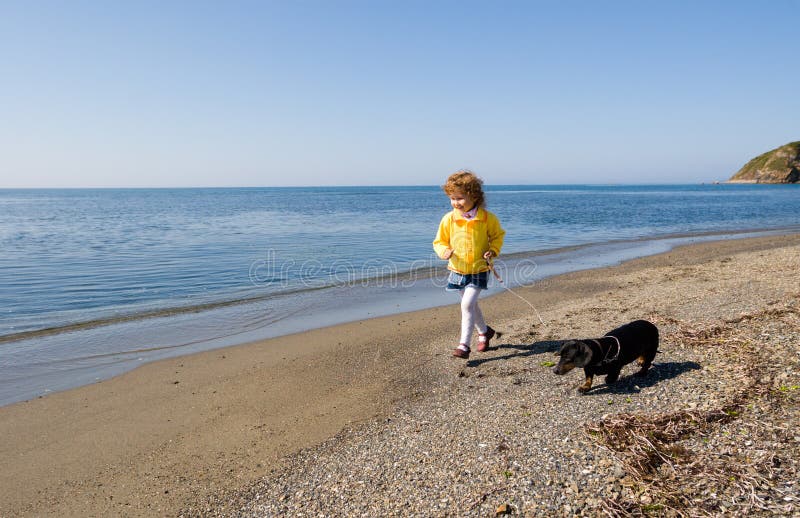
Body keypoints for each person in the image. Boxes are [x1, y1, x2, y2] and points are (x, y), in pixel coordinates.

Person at [433, 170, 505, 359]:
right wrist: (444, 252)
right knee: (471, 305)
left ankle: (464, 345)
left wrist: (493, 250)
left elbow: (498, 236)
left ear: (474, 196)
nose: (456, 202)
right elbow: (439, 242)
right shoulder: (449, 219)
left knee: (467, 305)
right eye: (452, 198)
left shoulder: (487, 218)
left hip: (479, 269)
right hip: (457, 270)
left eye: (460, 198)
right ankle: (485, 332)